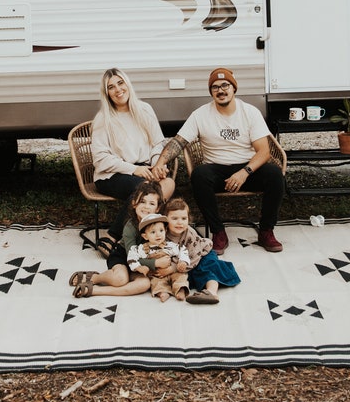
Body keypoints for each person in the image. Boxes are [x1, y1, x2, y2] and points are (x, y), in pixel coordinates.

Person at [154, 67, 285, 254]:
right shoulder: (200, 114)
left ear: (234, 88)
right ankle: (218, 232)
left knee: (274, 174)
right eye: (215, 87)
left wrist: (244, 172)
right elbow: (178, 142)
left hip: (247, 169)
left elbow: (264, 152)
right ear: (211, 92)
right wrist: (160, 163)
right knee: (199, 176)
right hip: (216, 170)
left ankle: (266, 231)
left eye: (225, 85)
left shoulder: (249, 112)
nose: (221, 90)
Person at [91, 68, 176, 242]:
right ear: (106, 93)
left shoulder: (144, 109)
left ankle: (146, 231)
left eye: (120, 83)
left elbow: (157, 144)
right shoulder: (103, 118)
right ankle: (113, 236)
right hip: (111, 175)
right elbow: (101, 159)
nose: (118, 90)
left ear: (127, 84)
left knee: (168, 183)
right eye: (111, 87)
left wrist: (157, 165)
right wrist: (134, 169)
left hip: (144, 170)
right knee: (145, 189)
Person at [69, 181, 174, 298]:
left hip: (142, 263)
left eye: (151, 203)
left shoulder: (160, 224)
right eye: (142, 201)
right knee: (120, 279)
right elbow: (132, 256)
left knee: (144, 284)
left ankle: (94, 290)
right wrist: (155, 263)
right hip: (125, 257)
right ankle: (94, 278)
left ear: (158, 208)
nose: (146, 206)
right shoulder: (130, 226)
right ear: (134, 203)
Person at [163, 197, 240, 305]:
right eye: (174, 218)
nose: (179, 222)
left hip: (201, 254)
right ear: (166, 219)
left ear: (188, 219)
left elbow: (194, 256)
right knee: (178, 275)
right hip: (185, 261)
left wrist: (174, 267)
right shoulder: (163, 234)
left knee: (206, 269)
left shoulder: (189, 233)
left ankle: (212, 293)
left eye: (184, 219)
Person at [127, 213, 190, 302]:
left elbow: (183, 250)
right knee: (156, 282)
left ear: (165, 231)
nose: (158, 235)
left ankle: (180, 289)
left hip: (171, 271)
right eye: (153, 232)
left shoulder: (170, 246)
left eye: (161, 230)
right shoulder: (142, 249)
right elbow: (132, 256)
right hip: (156, 275)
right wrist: (138, 267)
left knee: (180, 276)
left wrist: (183, 261)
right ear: (145, 236)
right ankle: (163, 292)